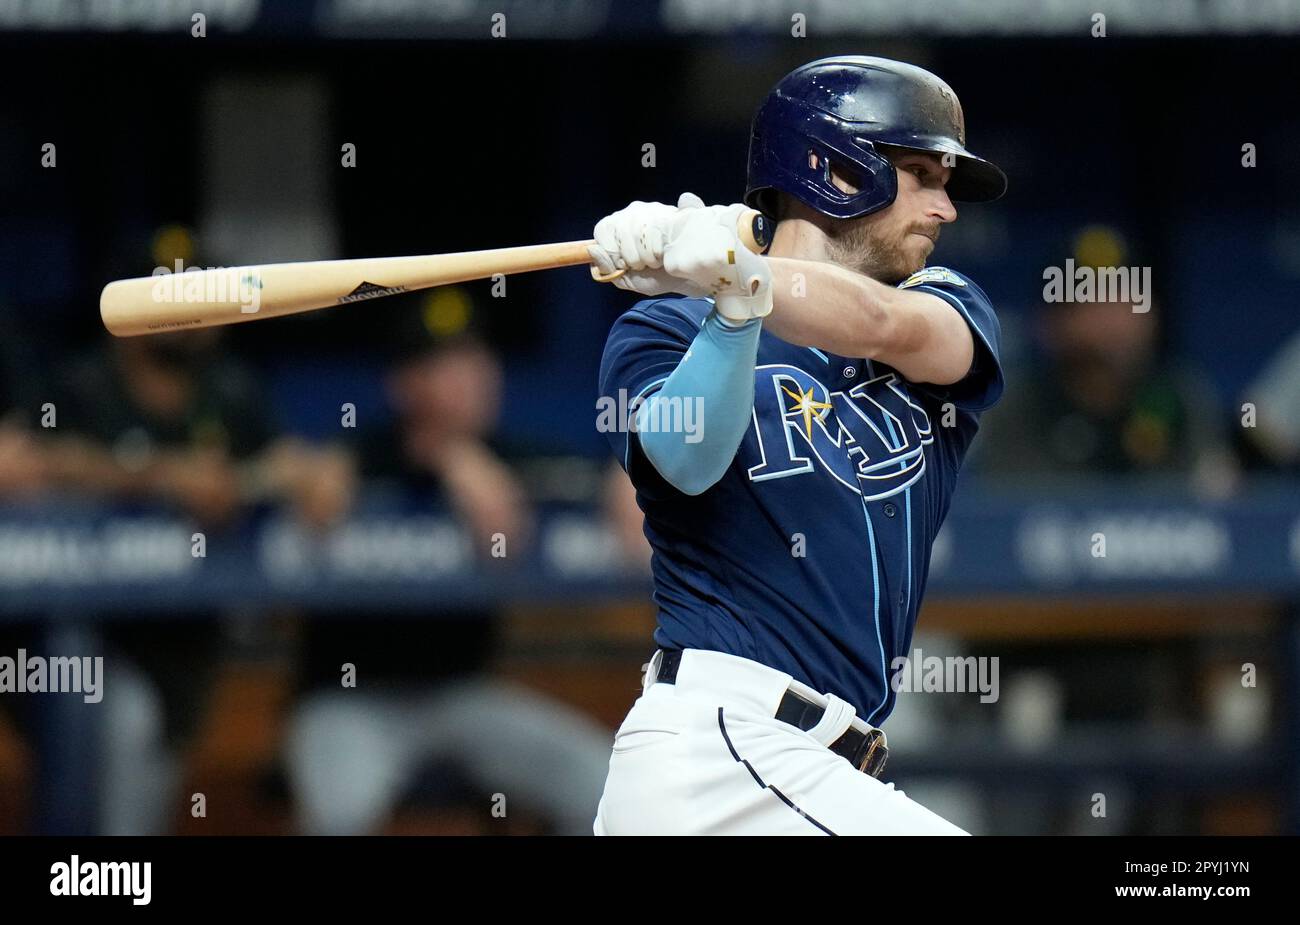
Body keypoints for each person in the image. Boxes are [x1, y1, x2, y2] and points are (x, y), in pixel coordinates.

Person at [588, 55, 1007, 835]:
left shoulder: (947, 307)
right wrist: (730, 314)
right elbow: (684, 462)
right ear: (837, 173)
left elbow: (883, 325)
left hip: (816, 768)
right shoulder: (664, 330)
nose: (946, 208)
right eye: (922, 174)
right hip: (718, 754)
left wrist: (743, 276)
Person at [285, 289, 612, 835]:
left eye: (476, 357)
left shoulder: (507, 453)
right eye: (446, 364)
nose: (474, 375)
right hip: (350, 698)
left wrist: (629, 474)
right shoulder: (362, 454)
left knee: (599, 780)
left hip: (462, 694)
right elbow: (307, 498)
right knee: (337, 817)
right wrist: (313, 478)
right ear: (404, 384)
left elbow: (513, 529)